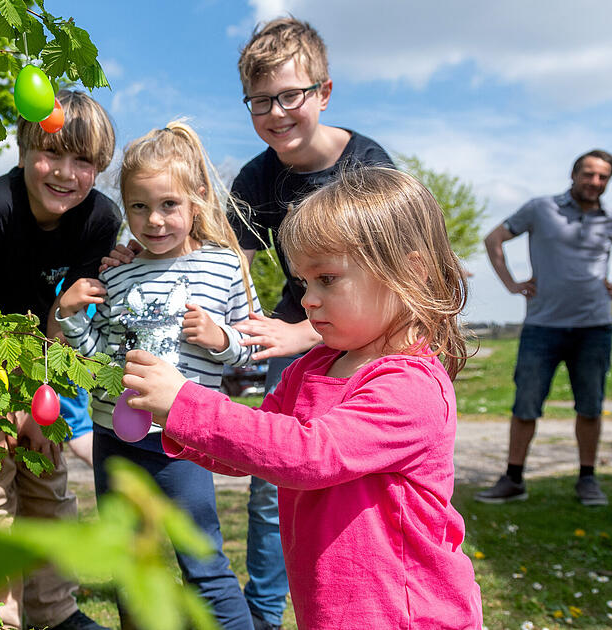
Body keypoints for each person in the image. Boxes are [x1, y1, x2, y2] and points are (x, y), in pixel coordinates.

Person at [100, 19, 394, 629]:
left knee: (333, 477)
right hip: (294, 334)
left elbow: (385, 291)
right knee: (272, 485)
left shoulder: (368, 170)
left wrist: (298, 334)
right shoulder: (258, 179)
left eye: (291, 96)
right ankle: (262, 616)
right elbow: (226, 261)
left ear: (325, 91)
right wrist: (141, 255)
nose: (276, 112)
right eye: (261, 101)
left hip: (358, 338)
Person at [122, 167, 483, 629]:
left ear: (408, 271)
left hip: (405, 614)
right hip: (332, 609)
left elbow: (309, 454)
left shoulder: (410, 384)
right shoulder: (313, 367)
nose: (308, 300)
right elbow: (258, 449)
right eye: (304, 283)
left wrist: (187, 404)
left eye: (327, 279)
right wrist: (172, 421)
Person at [0, 89, 119, 630]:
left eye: (82, 161)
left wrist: (39, 400)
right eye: (51, 154)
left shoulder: (101, 218)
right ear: (22, 147)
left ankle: (54, 613)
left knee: (46, 471)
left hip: (40, 346)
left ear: (99, 168)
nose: (65, 172)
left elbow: (69, 308)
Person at [56, 121, 260, 630]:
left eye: (169, 204)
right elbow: (97, 364)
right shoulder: (116, 274)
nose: (154, 220)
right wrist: (69, 318)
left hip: (183, 442)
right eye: (139, 207)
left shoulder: (225, 266)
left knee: (203, 564)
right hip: (114, 439)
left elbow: (248, 352)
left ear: (196, 201)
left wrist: (221, 338)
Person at [475, 150, 612, 506]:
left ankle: (587, 480)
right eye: (588, 174)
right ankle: (514, 479)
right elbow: (494, 239)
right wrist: (511, 284)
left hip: (594, 327)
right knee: (526, 405)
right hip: (542, 327)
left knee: (590, 407)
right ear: (573, 174)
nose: (595, 182)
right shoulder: (540, 208)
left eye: (603, 177)